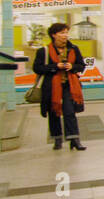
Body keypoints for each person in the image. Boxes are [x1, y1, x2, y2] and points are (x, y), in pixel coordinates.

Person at [32, 23, 87, 151]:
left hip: (69, 85)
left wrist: (72, 67)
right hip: (51, 87)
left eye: (66, 32)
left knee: (69, 112)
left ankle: (74, 140)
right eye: (62, 33)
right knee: (54, 112)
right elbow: (37, 68)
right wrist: (55, 67)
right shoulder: (44, 51)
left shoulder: (73, 49)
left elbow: (81, 66)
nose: (65, 35)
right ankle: (57, 139)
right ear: (54, 35)